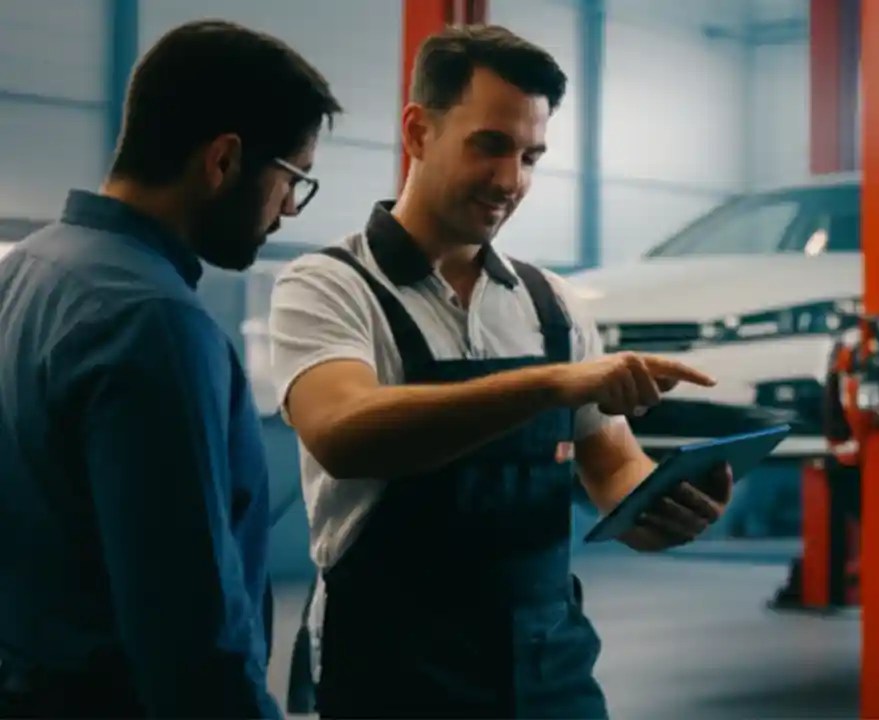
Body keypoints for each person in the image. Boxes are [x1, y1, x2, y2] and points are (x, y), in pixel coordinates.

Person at [269, 24, 732, 719]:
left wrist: (655, 510)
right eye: (489, 145)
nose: (511, 181)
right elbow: (343, 432)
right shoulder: (329, 287)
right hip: (395, 672)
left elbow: (610, 463)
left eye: (531, 156)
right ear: (418, 132)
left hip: (550, 668)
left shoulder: (551, 305)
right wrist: (552, 383)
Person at [0, 20, 341, 718]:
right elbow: (189, 635)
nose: (286, 209)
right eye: (292, 178)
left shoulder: (30, 269)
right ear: (223, 160)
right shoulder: (153, 321)